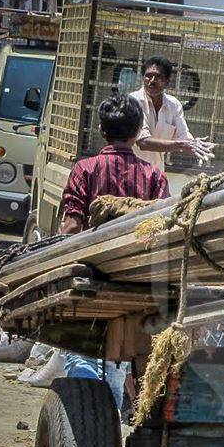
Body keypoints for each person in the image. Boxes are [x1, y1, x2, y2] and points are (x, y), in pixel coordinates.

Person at [59, 93, 170, 412]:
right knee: (131, 361)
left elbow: (71, 226)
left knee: (82, 355)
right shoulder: (154, 177)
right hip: (141, 288)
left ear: (101, 130)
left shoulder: (85, 169)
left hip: (92, 284)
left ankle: (89, 416)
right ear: (138, 133)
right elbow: (163, 231)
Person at [130, 55, 215, 169]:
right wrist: (184, 145)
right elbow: (143, 143)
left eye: (158, 77)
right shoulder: (133, 101)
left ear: (167, 81)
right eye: (148, 76)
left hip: (156, 173)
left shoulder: (174, 105)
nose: (152, 81)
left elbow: (183, 136)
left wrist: (197, 146)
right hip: (132, 171)